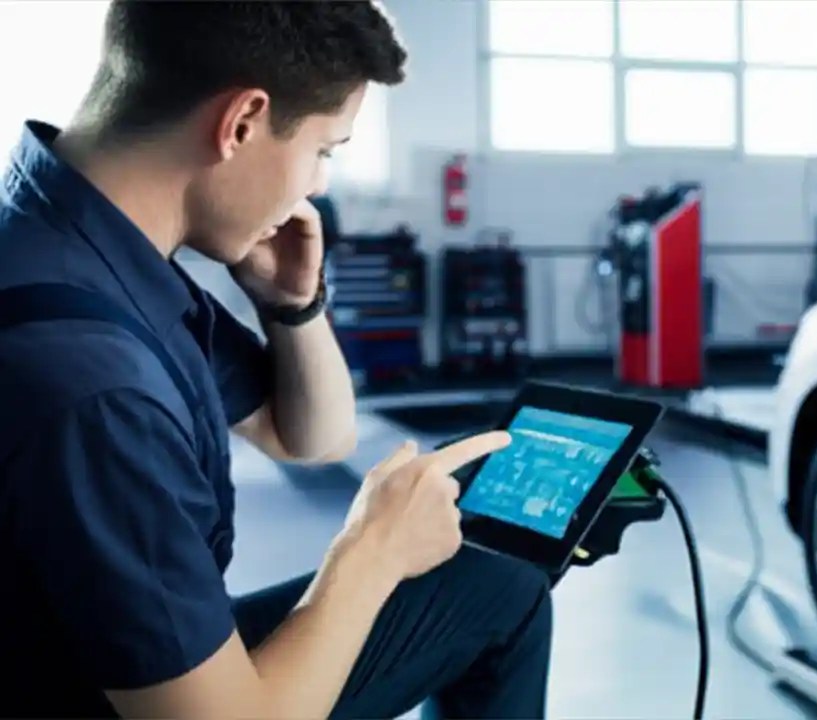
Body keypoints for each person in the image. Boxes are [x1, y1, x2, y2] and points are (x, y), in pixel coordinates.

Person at [0, 2, 552, 718]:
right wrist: (373, 551)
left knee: (498, 593)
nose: (318, 185)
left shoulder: (78, 244)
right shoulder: (94, 380)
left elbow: (312, 437)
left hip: (81, 655)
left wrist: (292, 305)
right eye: (326, 149)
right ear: (242, 123)